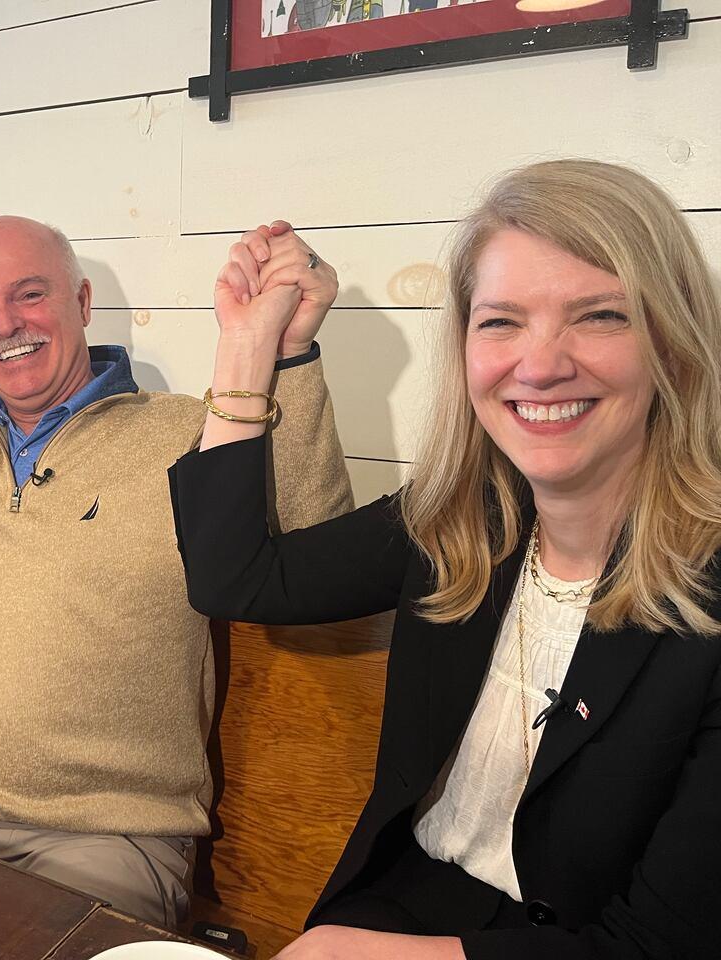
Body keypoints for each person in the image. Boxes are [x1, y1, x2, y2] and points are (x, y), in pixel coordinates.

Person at [169, 159, 721, 958]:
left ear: (674, 344)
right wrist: (249, 346)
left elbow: (664, 945)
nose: (539, 364)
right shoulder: (458, 524)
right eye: (500, 321)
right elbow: (234, 576)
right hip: (400, 907)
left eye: (599, 316)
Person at [0, 214, 354, 925]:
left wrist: (290, 349)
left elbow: (315, 543)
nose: (6, 324)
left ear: (84, 303)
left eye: (30, 295)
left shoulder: (189, 432)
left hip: (108, 841)